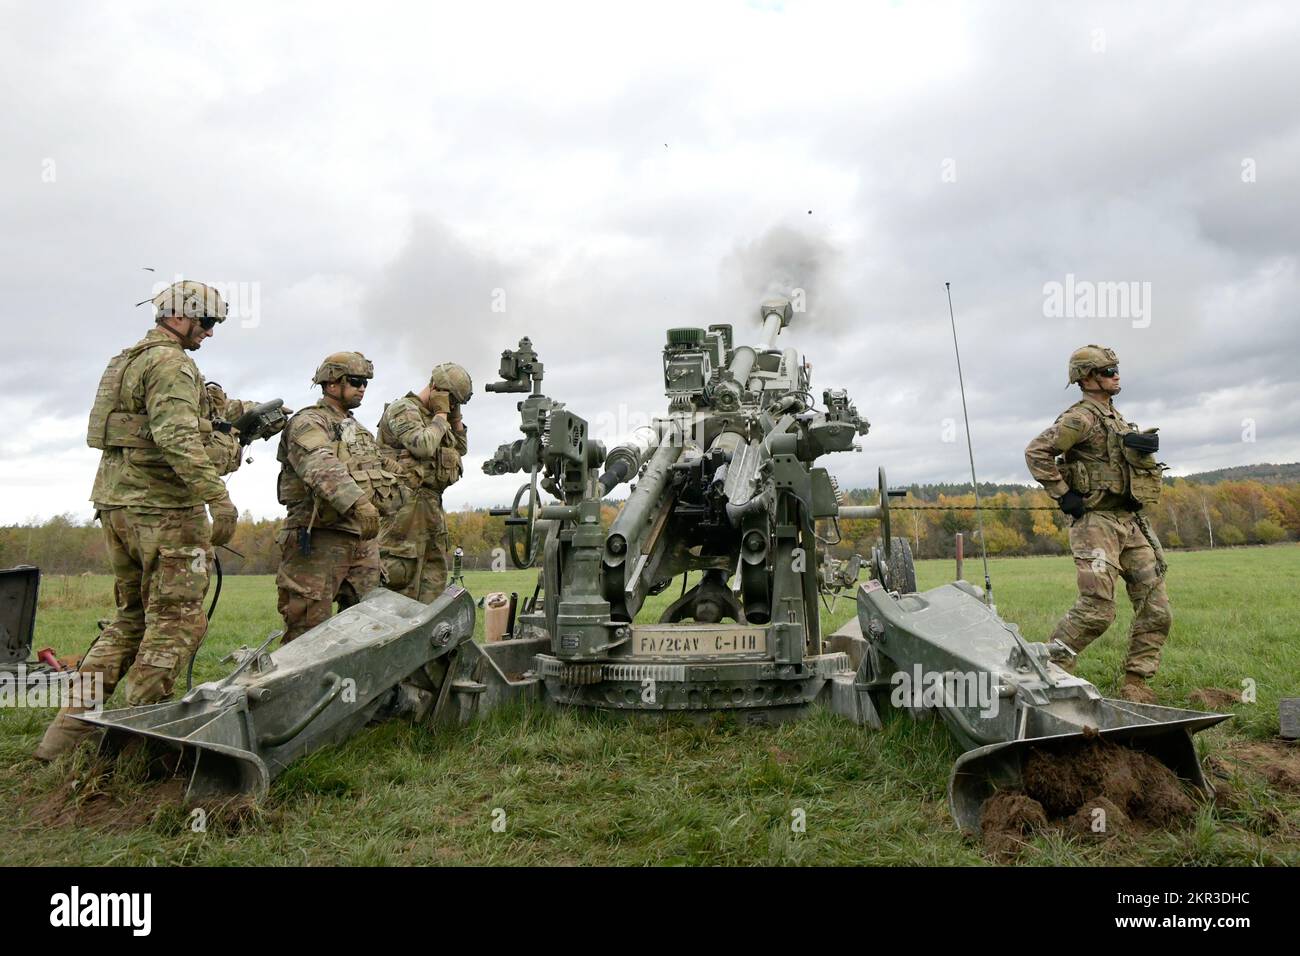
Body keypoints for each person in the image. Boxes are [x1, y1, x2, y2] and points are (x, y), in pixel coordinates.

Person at [35, 280, 243, 760]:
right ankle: (137, 744)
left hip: (116, 506)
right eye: (207, 322)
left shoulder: (124, 361)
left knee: (129, 621)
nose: (210, 334)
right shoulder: (172, 364)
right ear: (180, 315)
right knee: (174, 622)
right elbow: (175, 438)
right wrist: (220, 498)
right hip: (163, 512)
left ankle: (65, 736)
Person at [1024, 344, 1169, 703]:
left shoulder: (1115, 418)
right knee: (1097, 610)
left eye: (1116, 368)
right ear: (1086, 378)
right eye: (1107, 370)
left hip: (1129, 521)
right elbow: (1036, 451)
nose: (1115, 374)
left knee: (1156, 608)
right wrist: (1063, 493)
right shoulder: (1081, 418)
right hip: (1096, 524)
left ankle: (1136, 684)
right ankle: (1044, 673)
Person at [274, 352, 398, 642]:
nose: (362, 388)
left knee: (369, 627)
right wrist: (359, 503)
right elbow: (319, 464)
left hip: (360, 540)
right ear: (331, 384)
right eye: (355, 381)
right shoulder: (309, 422)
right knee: (307, 632)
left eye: (365, 383)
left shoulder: (359, 431)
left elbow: (382, 467)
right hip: (318, 538)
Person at [377, 363, 471, 602]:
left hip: (430, 517)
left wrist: (455, 417)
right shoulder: (403, 409)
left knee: (432, 594)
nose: (451, 407)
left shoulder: (439, 421)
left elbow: (460, 449)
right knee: (398, 590)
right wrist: (440, 416)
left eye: (456, 403)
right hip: (402, 517)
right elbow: (423, 445)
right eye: (451, 399)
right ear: (434, 387)